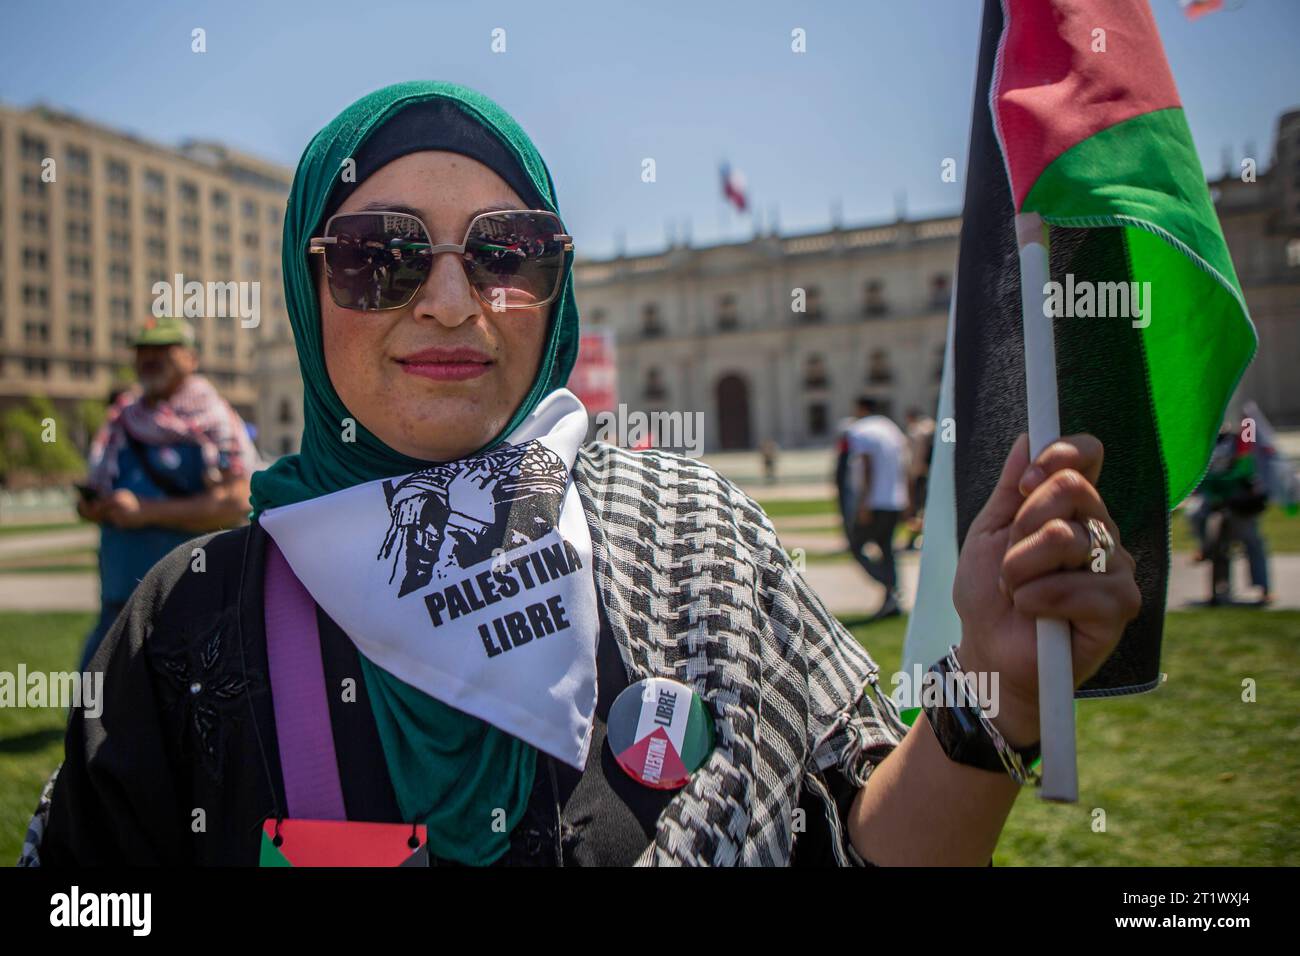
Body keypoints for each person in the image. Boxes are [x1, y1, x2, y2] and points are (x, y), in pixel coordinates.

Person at [27, 82, 1139, 867]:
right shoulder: (186, 623)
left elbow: (861, 838)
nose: (454, 302)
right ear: (303, 289)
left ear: (556, 287)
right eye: (380, 254)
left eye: (507, 249)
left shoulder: (701, 535)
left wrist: (1000, 690)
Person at [74, 316, 258, 671]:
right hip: (118, 603)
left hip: (188, 607)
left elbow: (236, 501)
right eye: (142, 350)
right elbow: (97, 485)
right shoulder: (121, 420)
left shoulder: (215, 419)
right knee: (92, 709)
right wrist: (93, 506)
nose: (149, 359)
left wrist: (146, 512)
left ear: (190, 357)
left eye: (162, 349)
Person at [845, 397, 911, 619]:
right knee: (886, 549)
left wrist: (863, 502)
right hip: (894, 500)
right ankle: (891, 601)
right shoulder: (892, 429)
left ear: (861, 408)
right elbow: (905, 464)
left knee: (857, 545)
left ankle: (891, 587)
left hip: (875, 502)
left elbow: (866, 466)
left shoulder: (860, 430)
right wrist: (907, 499)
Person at [1201, 423, 1271, 606]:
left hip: (1240, 506)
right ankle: (1219, 589)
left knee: (1252, 545)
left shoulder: (1242, 443)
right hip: (1217, 505)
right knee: (1217, 548)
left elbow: (1248, 470)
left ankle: (1263, 589)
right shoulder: (1207, 444)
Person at [902, 407, 935, 551]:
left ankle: (914, 539)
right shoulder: (931, 427)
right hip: (930, 474)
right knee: (924, 509)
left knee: (915, 509)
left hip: (919, 475)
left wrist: (910, 477)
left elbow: (915, 456)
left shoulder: (915, 431)